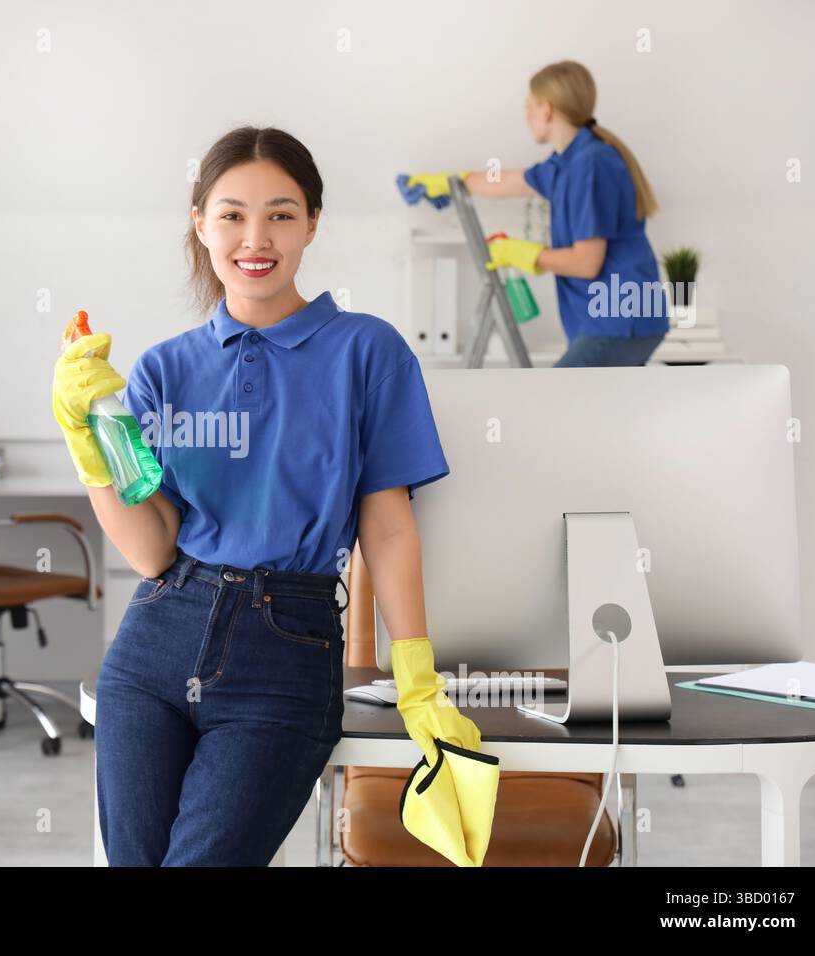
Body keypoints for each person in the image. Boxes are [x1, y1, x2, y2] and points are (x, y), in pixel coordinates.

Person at [52, 126, 498, 866]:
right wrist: (88, 440)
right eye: (231, 214)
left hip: (287, 646)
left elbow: (386, 529)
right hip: (157, 642)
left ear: (313, 224)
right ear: (200, 224)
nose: (255, 237)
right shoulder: (164, 369)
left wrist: (416, 677)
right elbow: (151, 548)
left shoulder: (367, 351)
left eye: (281, 214)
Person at [404, 59, 669, 367]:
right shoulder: (567, 162)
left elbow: (586, 262)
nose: (526, 115)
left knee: (555, 404)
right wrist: (450, 182)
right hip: (617, 320)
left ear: (547, 109)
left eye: (529, 106)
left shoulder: (591, 165)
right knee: (585, 408)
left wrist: (520, 253)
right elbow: (508, 181)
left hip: (620, 318)